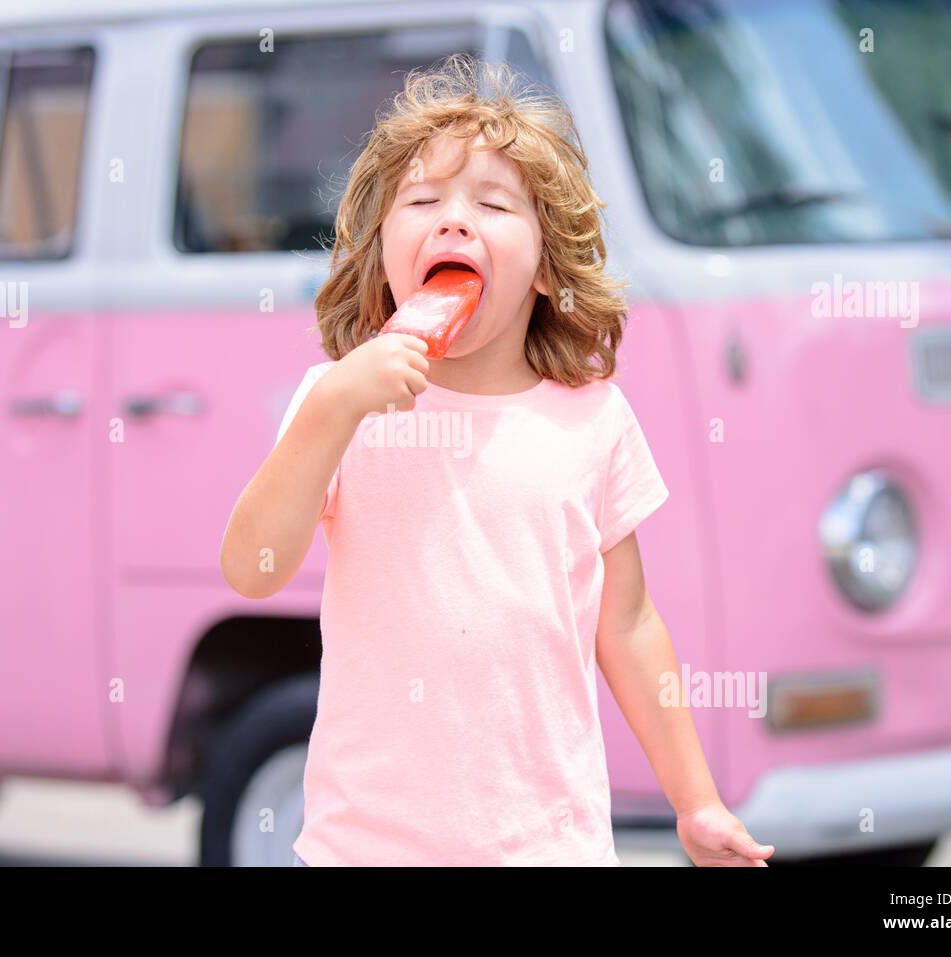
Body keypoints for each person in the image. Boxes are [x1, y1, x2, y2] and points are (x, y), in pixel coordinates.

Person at [221, 53, 774, 867]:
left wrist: (696, 800)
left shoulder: (592, 419)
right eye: (421, 201)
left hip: (548, 849)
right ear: (382, 254)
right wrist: (335, 406)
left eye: (491, 204)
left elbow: (627, 623)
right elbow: (253, 569)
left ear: (548, 268)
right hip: (362, 850)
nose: (452, 219)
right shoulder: (337, 400)